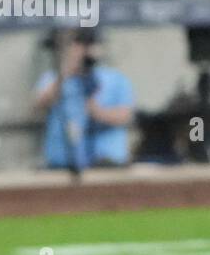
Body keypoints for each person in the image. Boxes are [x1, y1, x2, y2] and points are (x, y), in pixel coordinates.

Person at [33, 31, 135, 171]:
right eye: (78, 43)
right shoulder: (54, 77)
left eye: (89, 44)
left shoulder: (115, 78)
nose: (84, 49)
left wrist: (95, 111)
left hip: (107, 162)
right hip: (62, 162)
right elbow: (39, 105)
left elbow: (125, 116)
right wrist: (66, 73)